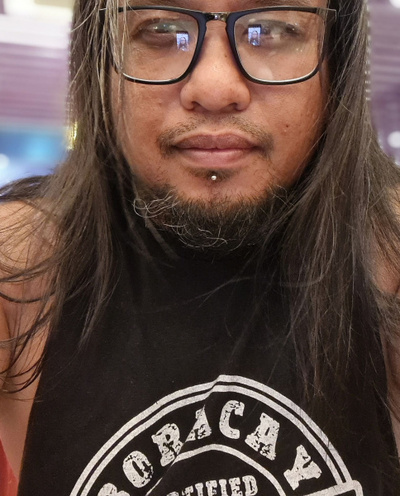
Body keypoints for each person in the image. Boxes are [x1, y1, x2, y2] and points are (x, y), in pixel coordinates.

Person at [0, 0, 400, 494]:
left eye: (271, 30)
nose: (214, 88)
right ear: (101, 59)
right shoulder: (22, 265)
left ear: (336, 58)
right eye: (161, 29)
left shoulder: (388, 256)